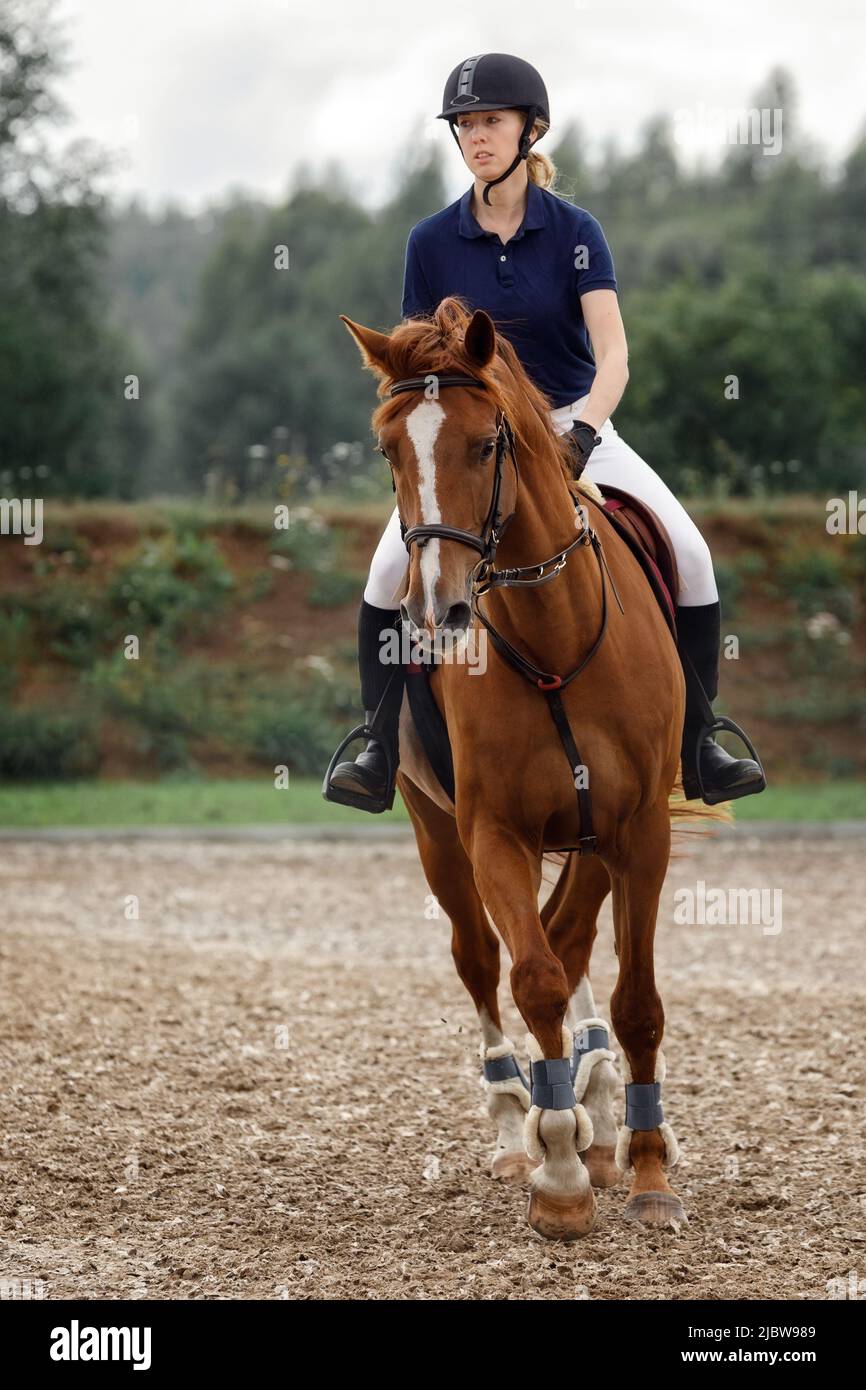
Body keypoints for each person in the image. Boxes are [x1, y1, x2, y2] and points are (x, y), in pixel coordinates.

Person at [324, 52, 765, 812]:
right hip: (469, 438)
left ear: (530, 129)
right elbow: (422, 360)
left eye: (490, 121)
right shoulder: (430, 241)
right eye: (464, 125)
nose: (476, 137)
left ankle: (700, 741)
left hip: (571, 423)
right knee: (381, 575)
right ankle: (374, 740)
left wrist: (586, 433)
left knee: (691, 555)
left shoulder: (576, 232)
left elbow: (615, 354)